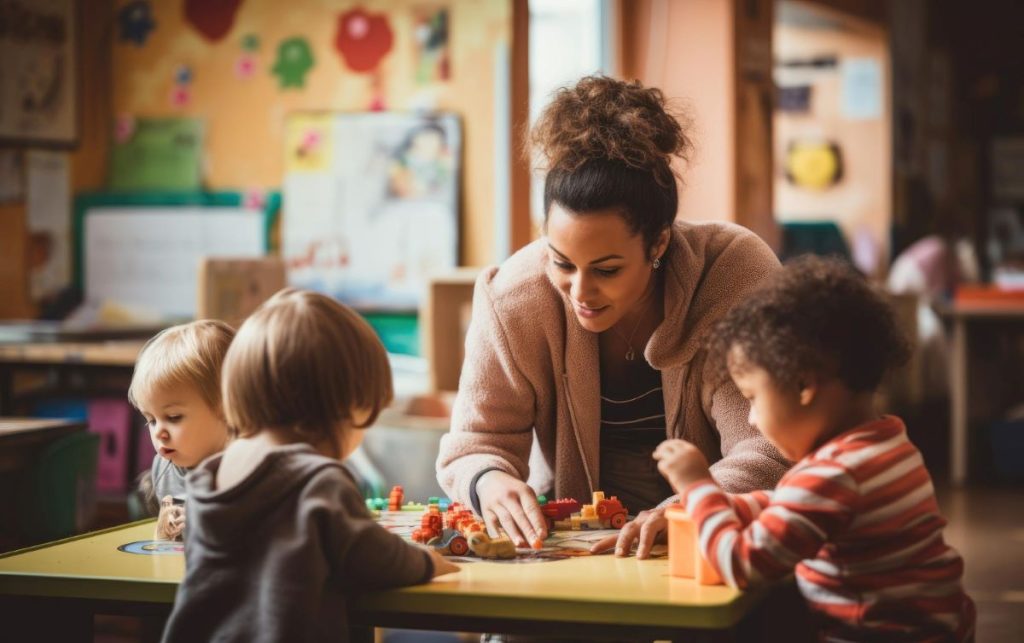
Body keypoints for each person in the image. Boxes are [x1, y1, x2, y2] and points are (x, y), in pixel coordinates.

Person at [436, 75, 790, 557]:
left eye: (607, 269)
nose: (580, 291)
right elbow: (475, 442)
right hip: (576, 552)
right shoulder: (513, 297)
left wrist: (691, 506)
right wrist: (490, 480)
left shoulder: (734, 273)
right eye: (562, 262)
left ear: (659, 242)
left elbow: (768, 445)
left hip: (708, 539)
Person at [654, 256, 975, 642]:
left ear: (804, 385)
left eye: (753, 397)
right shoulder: (887, 440)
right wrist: (730, 505)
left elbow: (742, 564)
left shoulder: (833, 474)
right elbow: (794, 506)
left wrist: (697, 486)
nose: (752, 419)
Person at [160, 289, 458, 643]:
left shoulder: (212, 473)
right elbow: (371, 558)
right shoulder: (319, 481)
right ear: (351, 408)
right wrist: (429, 562)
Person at [128, 320, 235, 540]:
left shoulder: (244, 470)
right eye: (151, 420)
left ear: (227, 409)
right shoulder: (162, 468)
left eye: (173, 417)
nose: (159, 433)